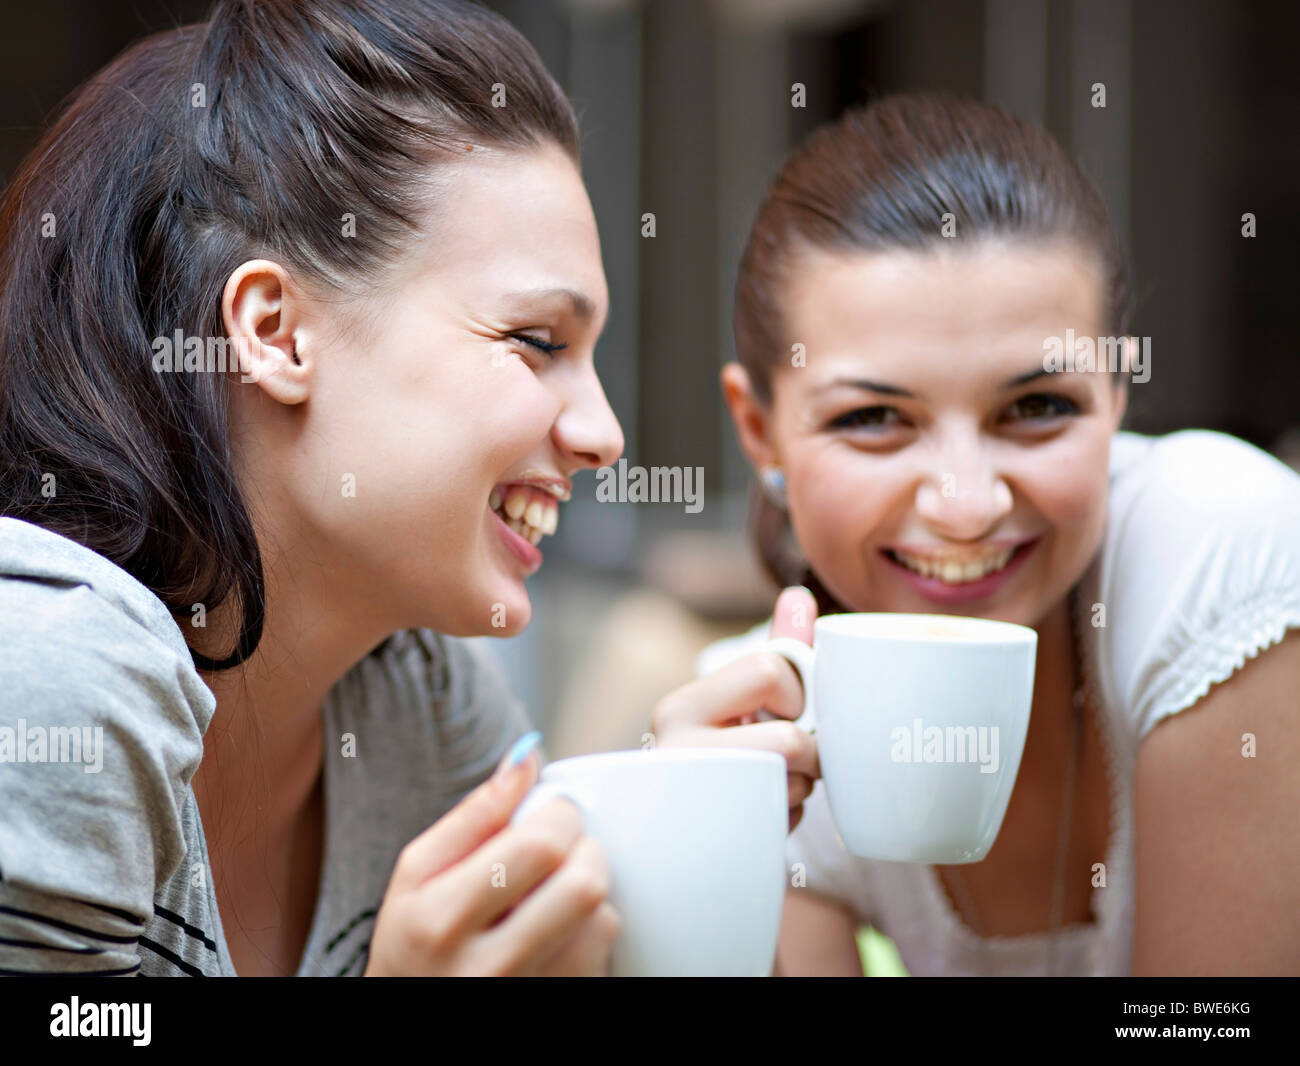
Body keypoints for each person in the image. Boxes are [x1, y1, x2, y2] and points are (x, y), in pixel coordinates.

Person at [0, 0, 643, 977]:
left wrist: (666, 812)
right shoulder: (54, 677)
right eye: (537, 342)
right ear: (274, 332)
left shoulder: (414, 697)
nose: (603, 435)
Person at [650, 93, 1300, 976]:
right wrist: (701, 898)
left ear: (1116, 396)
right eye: (874, 416)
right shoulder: (762, 739)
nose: (965, 504)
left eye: (1036, 407)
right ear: (758, 429)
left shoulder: (1218, 548)